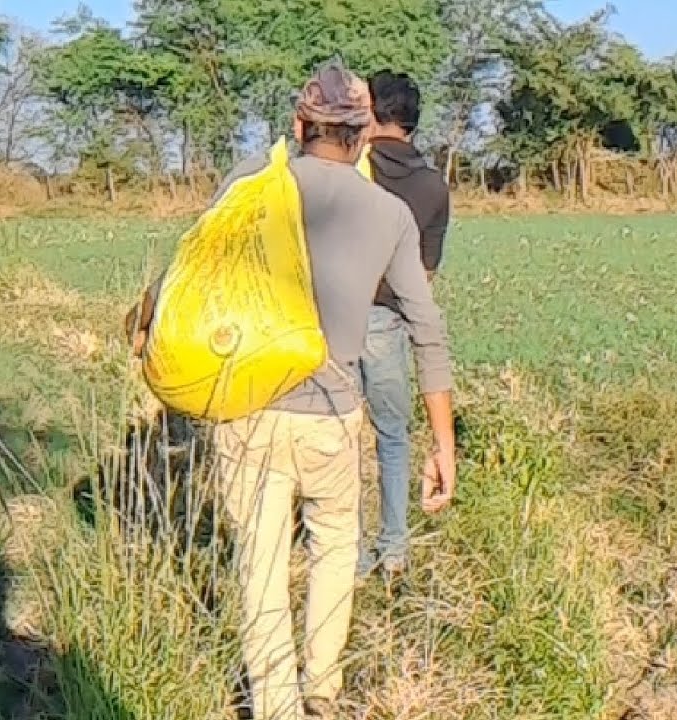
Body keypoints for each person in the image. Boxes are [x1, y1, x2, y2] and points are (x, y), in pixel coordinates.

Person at [127, 61, 457, 720]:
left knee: (260, 565)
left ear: (299, 125)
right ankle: (322, 691)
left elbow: (194, 271)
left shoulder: (251, 186)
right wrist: (442, 445)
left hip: (250, 412)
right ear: (364, 134)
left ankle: (274, 706)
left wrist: (146, 331)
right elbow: (427, 327)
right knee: (336, 547)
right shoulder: (389, 213)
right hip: (334, 416)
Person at [356, 70, 451, 580]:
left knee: (342, 438)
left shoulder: (353, 168)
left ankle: (347, 554)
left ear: (371, 114)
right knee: (393, 437)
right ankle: (394, 550)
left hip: (340, 319)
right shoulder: (433, 185)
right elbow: (426, 272)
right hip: (393, 321)